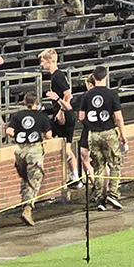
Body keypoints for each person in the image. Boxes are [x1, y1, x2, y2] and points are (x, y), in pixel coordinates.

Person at [76, 67, 129, 208]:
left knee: (98, 166)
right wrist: (123, 135)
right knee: (115, 163)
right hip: (108, 132)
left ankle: (100, 199)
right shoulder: (112, 95)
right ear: (106, 77)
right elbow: (118, 117)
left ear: (93, 78)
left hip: (93, 134)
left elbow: (81, 117)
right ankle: (113, 194)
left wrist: (92, 125)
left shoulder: (87, 95)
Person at [8, 91, 52, 226]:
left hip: (20, 150)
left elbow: (9, 132)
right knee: (35, 180)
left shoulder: (17, 115)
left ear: (24, 102)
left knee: (25, 178)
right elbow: (49, 135)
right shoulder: (41, 116)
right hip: (34, 150)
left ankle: (24, 204)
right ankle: (27, 208)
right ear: (36, 103)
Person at [39, 48, 79, 188]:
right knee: (67, 147)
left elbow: (68, 94)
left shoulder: (57, 76)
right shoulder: (56, 76)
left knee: (49, 135)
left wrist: (61, 109)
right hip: (64, 113)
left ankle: (73, 174)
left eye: (43, 61)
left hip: (64, 114)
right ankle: (75, 177)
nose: (42, 64)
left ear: (50, 61)